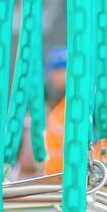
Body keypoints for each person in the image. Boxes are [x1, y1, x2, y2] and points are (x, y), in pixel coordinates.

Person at [41, 46, 68, 174]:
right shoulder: (48, 98)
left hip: (70, 175)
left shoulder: (77, 105)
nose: (57, 76)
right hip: (51, 174)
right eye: (55, 71)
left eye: (61, 70)